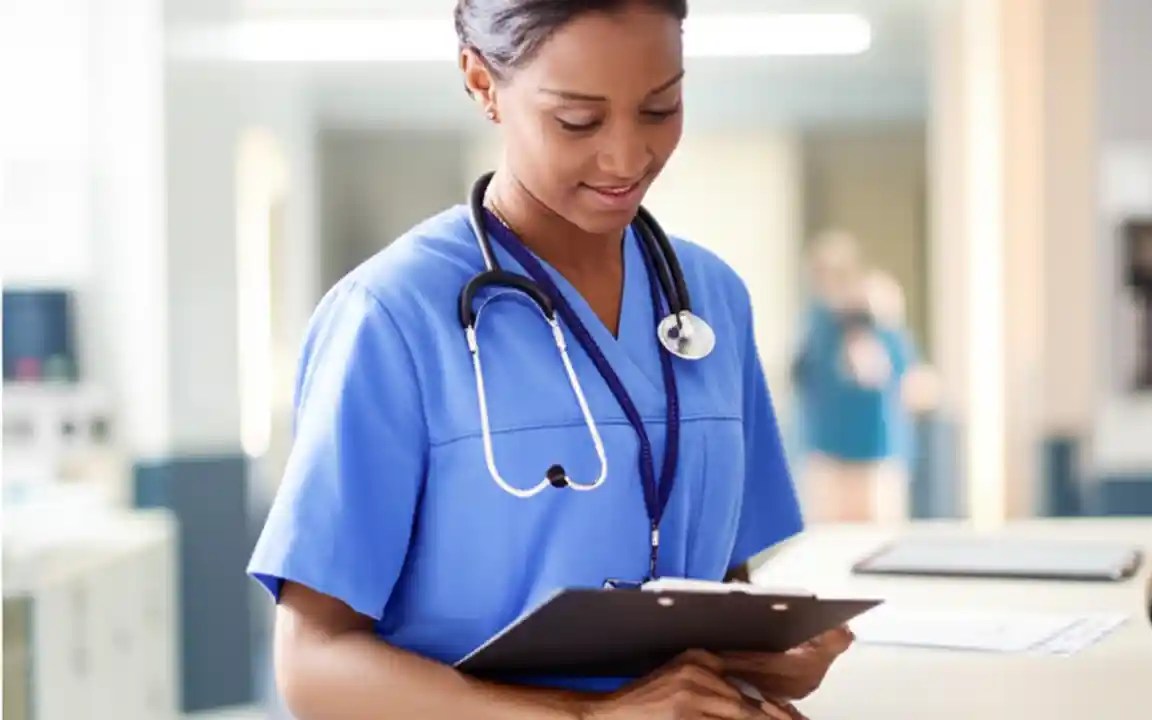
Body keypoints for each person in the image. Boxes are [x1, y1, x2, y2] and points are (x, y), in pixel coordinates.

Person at [246, 2, 853, 718]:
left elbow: (719, 587)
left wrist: (772, 655)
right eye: (578, 121)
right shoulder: (391, 317)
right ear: (481, 81)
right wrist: (587, 717)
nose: (627, 158)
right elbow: (314, 662)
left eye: (661, 108)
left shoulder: (710, 299)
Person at [792, 232, 937, 524]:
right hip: (827, 451)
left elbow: (906, 379)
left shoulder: (880, 322)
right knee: (826, 534)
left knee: (876, 531)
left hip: (876, 451)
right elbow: (803, 377)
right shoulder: (818, 325)